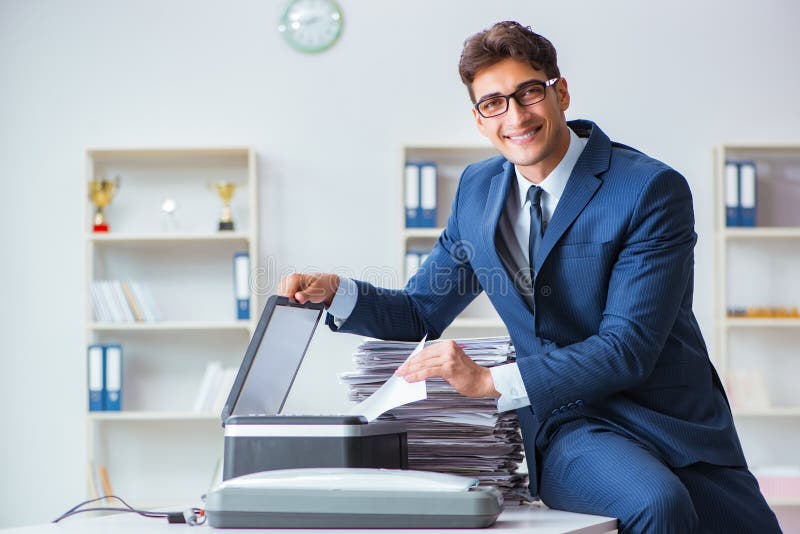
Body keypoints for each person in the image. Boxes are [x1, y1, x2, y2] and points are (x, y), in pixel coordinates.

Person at [279, 21, 781, 533]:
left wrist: (487, 381)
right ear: (479, 119)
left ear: (560, 92)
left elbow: (627, 346)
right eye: (494, 103)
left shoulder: (649, 189)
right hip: (573, 423)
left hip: (674, 423)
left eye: (529, 93)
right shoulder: (477, 191)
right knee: (657, 504)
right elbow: (420, 310)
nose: (515, 116)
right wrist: (338, 294)